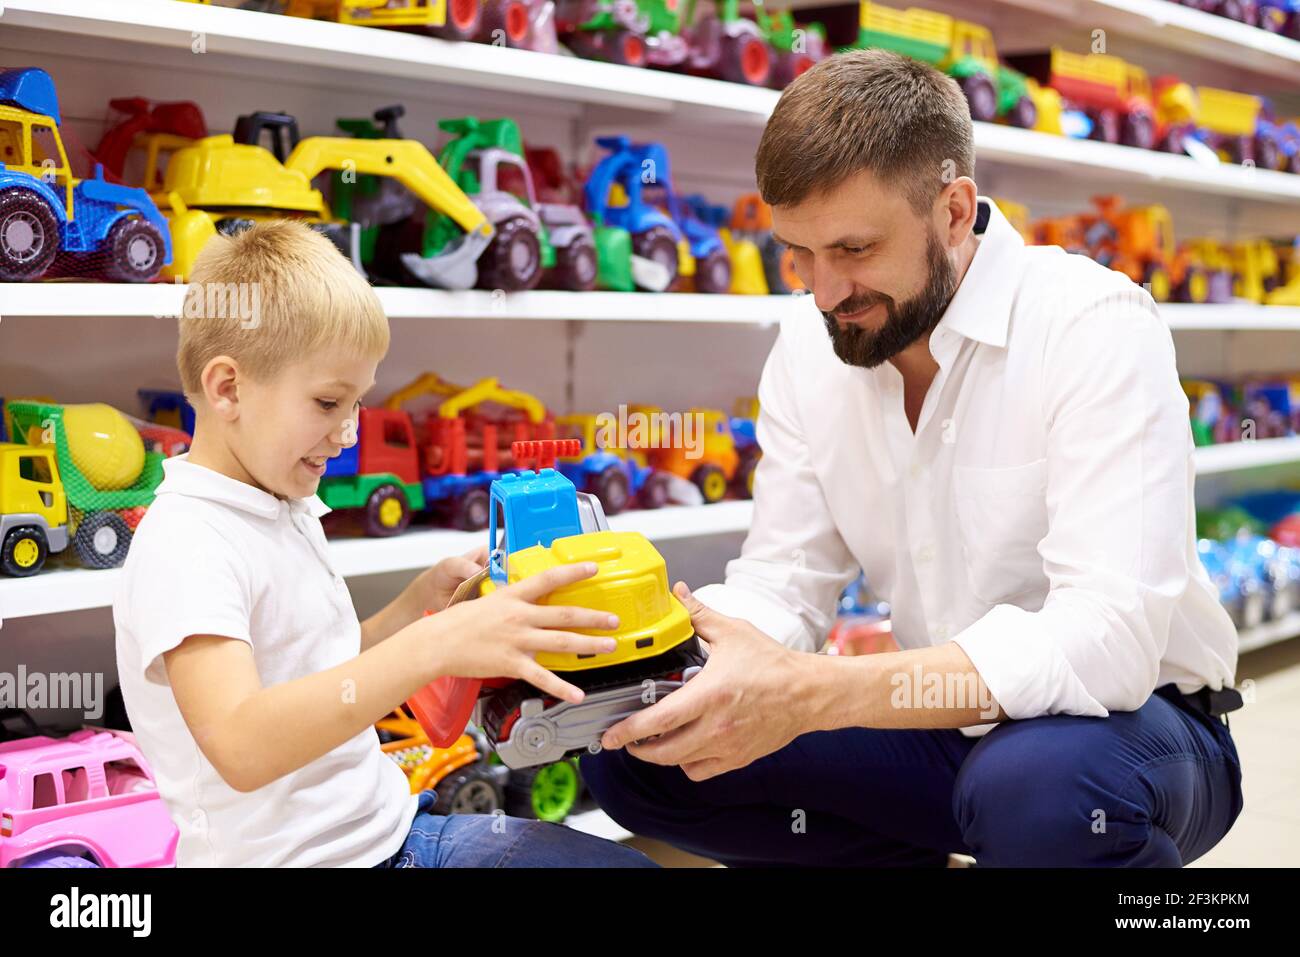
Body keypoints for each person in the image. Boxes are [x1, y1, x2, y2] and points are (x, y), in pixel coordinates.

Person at [581, 49, 1244, 867]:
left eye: (854, 250)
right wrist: (661, 658)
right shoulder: (808, 342)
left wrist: (818, 694)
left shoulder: (1092, 326)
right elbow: (786, 579)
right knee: (638, 752)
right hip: (934, 728)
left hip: (1135, 732)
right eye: (798, 253)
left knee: (1034, 787)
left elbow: (1107, 641)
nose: (823, 292)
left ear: (954, 210)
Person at [114, 220, 653, 868]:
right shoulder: (188, 543)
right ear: (228, 387)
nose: (347, 434)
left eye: (357, 404)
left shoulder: (277, 502)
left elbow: (321, 664)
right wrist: (431, 647)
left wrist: (416, 607)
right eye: (326, 402)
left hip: (392, 834)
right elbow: (241, 742)